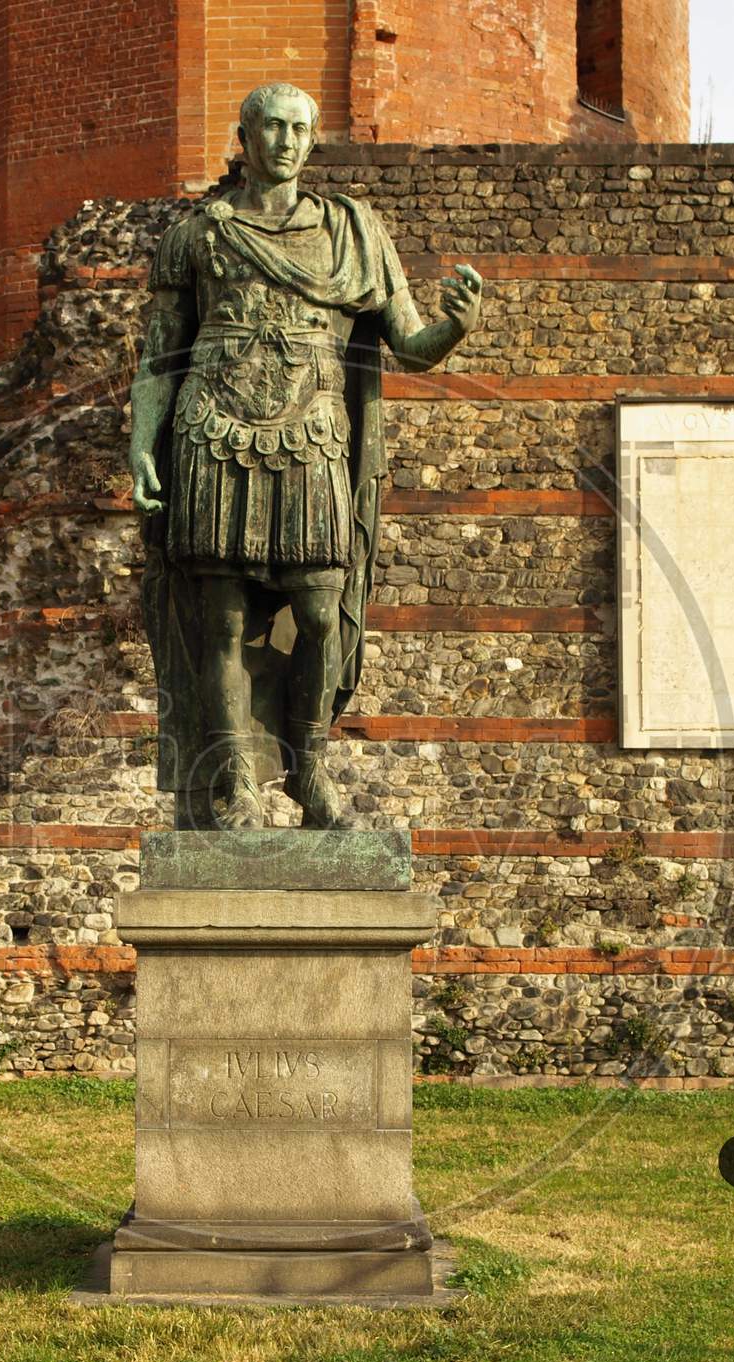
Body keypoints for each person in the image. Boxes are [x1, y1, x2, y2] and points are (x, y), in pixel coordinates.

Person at [130, 81, 482, 829]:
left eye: (298, 129)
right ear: (244, 137)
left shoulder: (352, 232)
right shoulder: (196, 235)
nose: (285, 141)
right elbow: (160, 355)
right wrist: (140, 444)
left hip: (313, 433)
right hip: (213, 432)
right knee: (223, 624)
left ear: (312, 140)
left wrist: (455, 328)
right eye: (271, 127)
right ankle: (237, 785)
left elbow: (410, 345)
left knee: (322, 613)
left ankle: (310, 770)